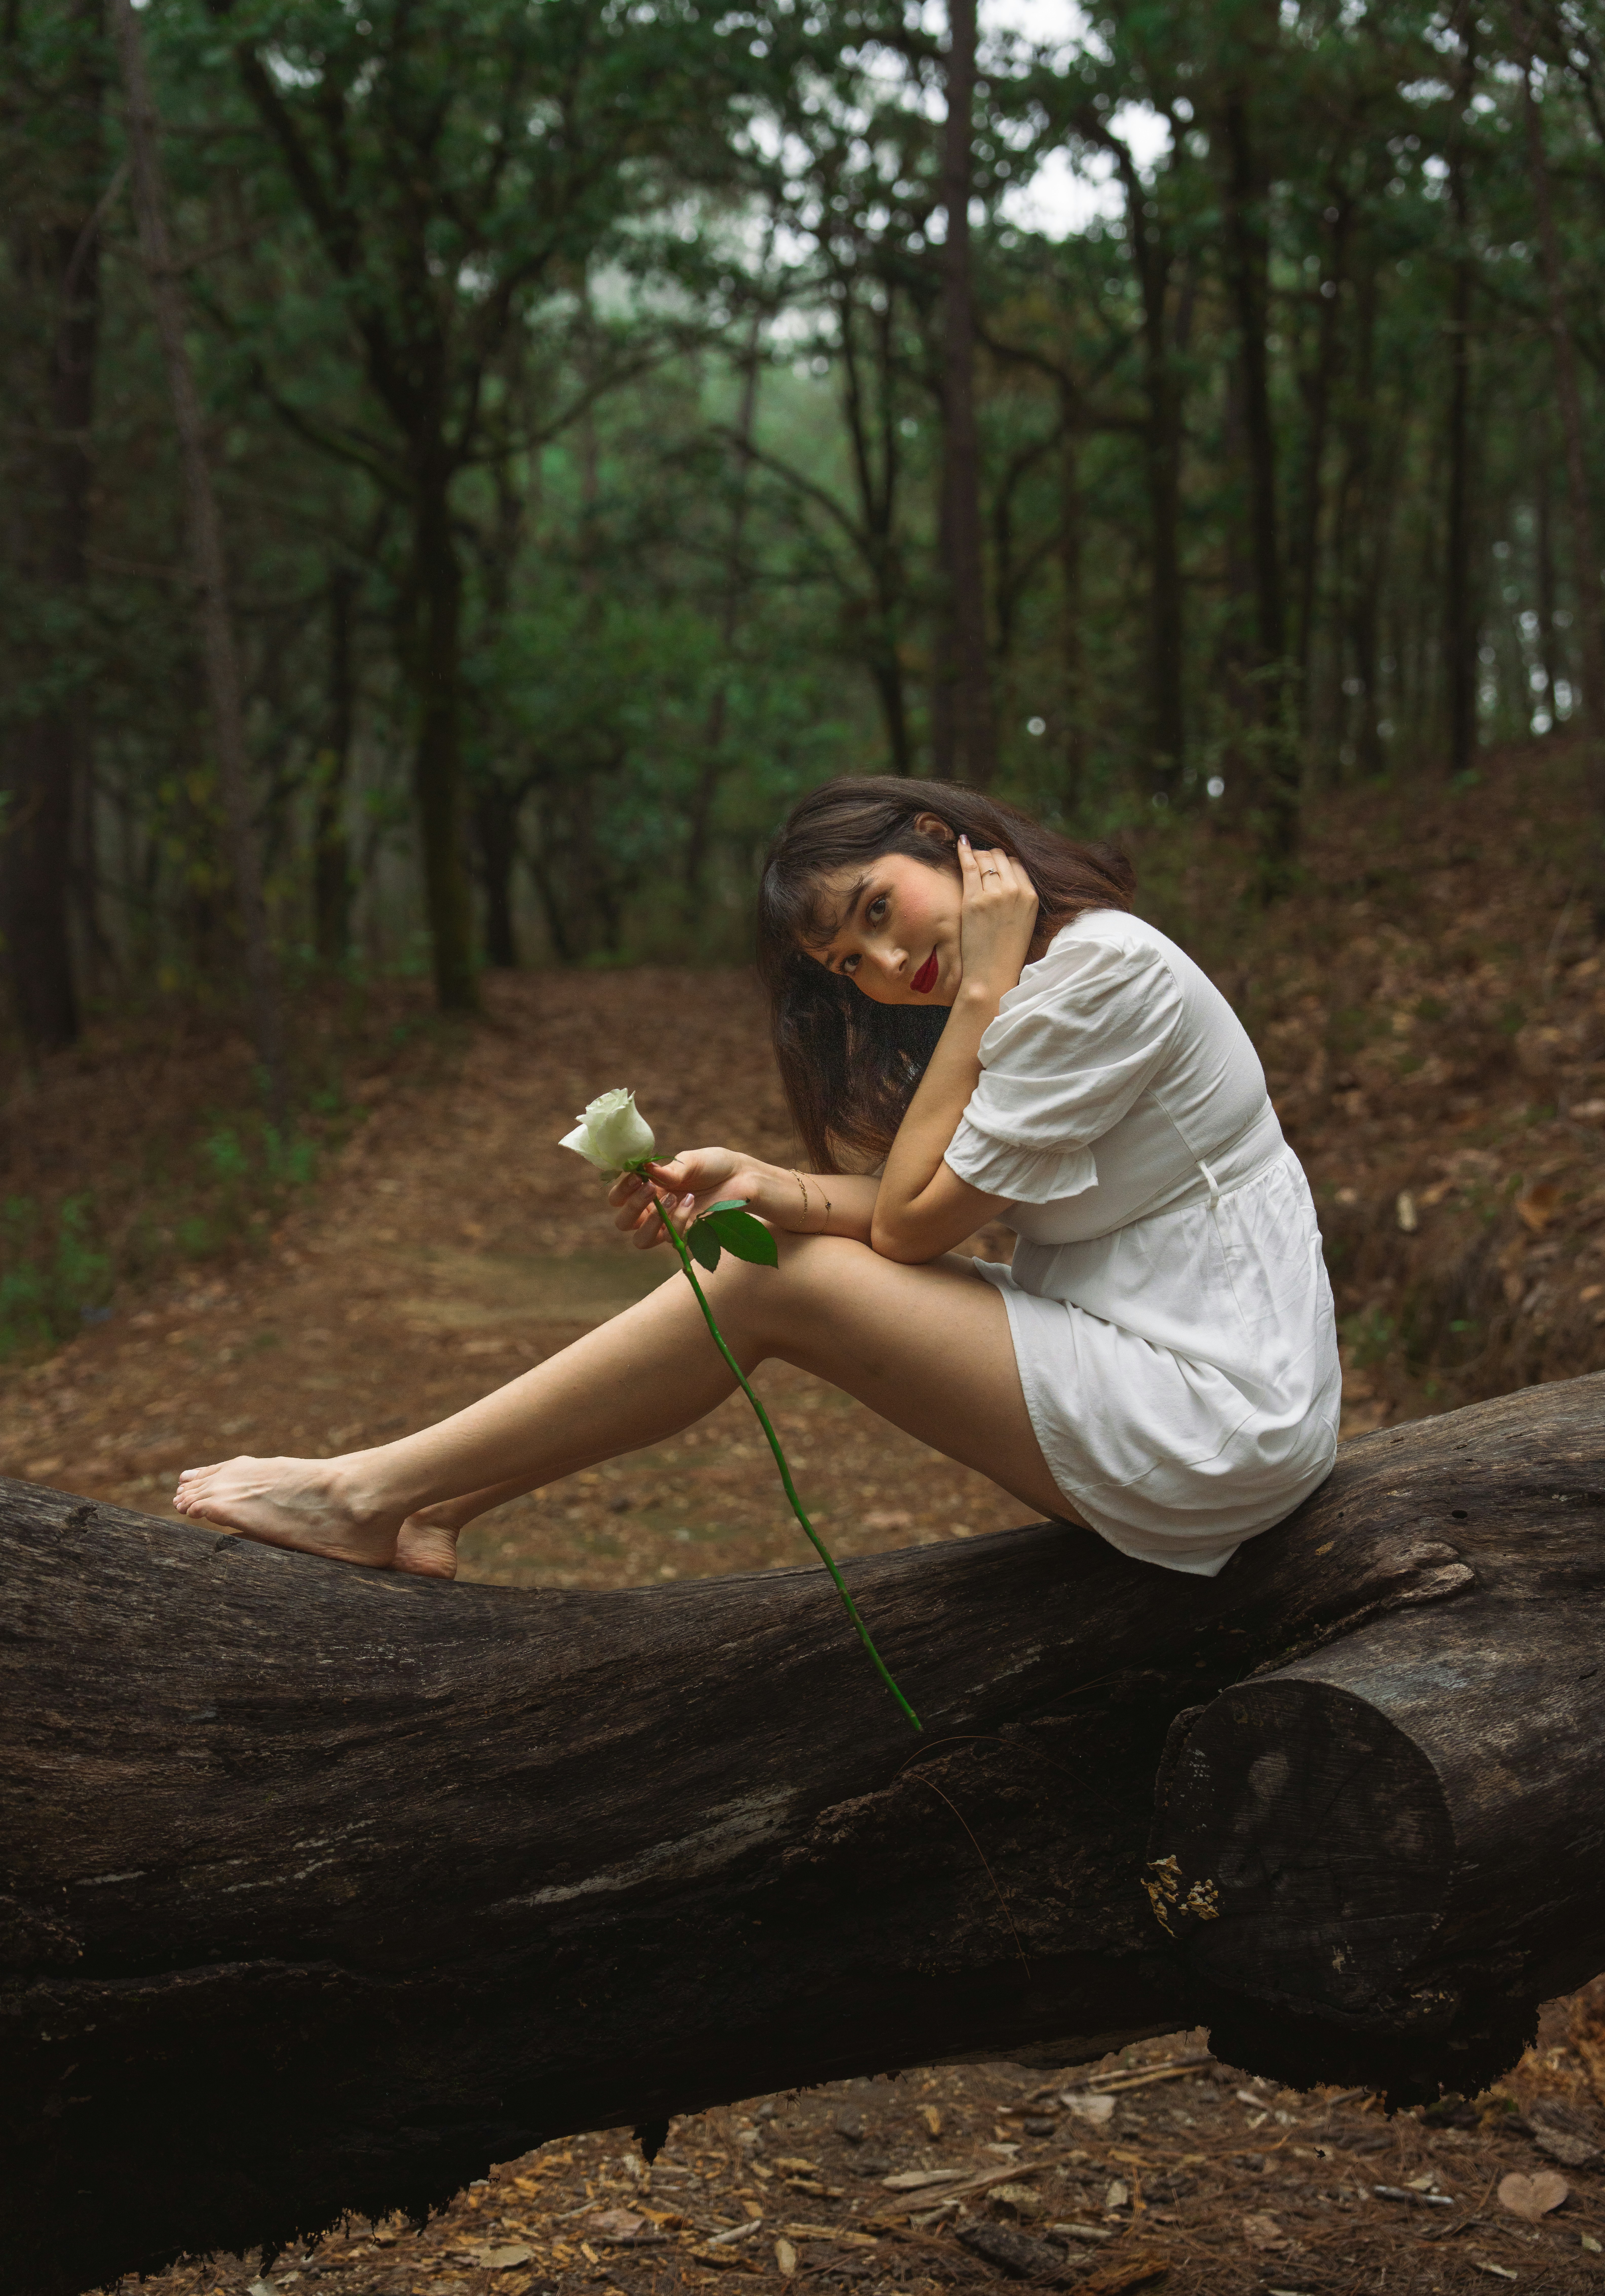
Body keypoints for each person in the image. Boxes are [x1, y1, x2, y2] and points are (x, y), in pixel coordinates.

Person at [174, 777, 1340, 1580]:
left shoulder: (1093, 978)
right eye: (851, 963)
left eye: (879, 910)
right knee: (770, 1252)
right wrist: (763, 1181)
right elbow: (924, 1207)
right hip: (1157, 1365)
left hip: (1217, 1416)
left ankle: (369, 1496)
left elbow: (917, 1225)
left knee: (769, 1282)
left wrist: (975, 999)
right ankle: (434, 1505)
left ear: (943, 838)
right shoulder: (1046, 987)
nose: (888, 965)